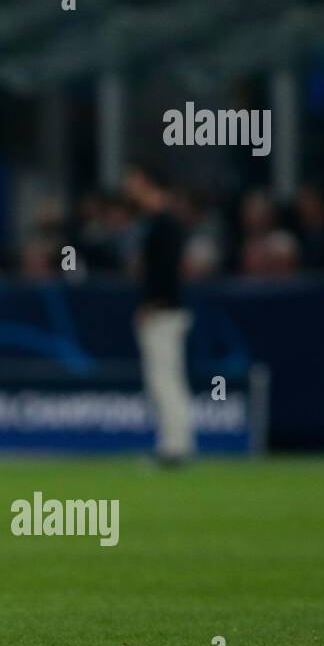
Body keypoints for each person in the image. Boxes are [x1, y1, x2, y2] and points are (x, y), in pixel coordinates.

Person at [124, 162, 194, 466]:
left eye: (134, 181)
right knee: (163, 380)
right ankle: (173, 443)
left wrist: (152, 304)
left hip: (164, 312)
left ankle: (176, 447)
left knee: (166, 379)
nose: (130, 188)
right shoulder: (156, 221)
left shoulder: (165, 223)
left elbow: (166, 271)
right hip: (162, 310)